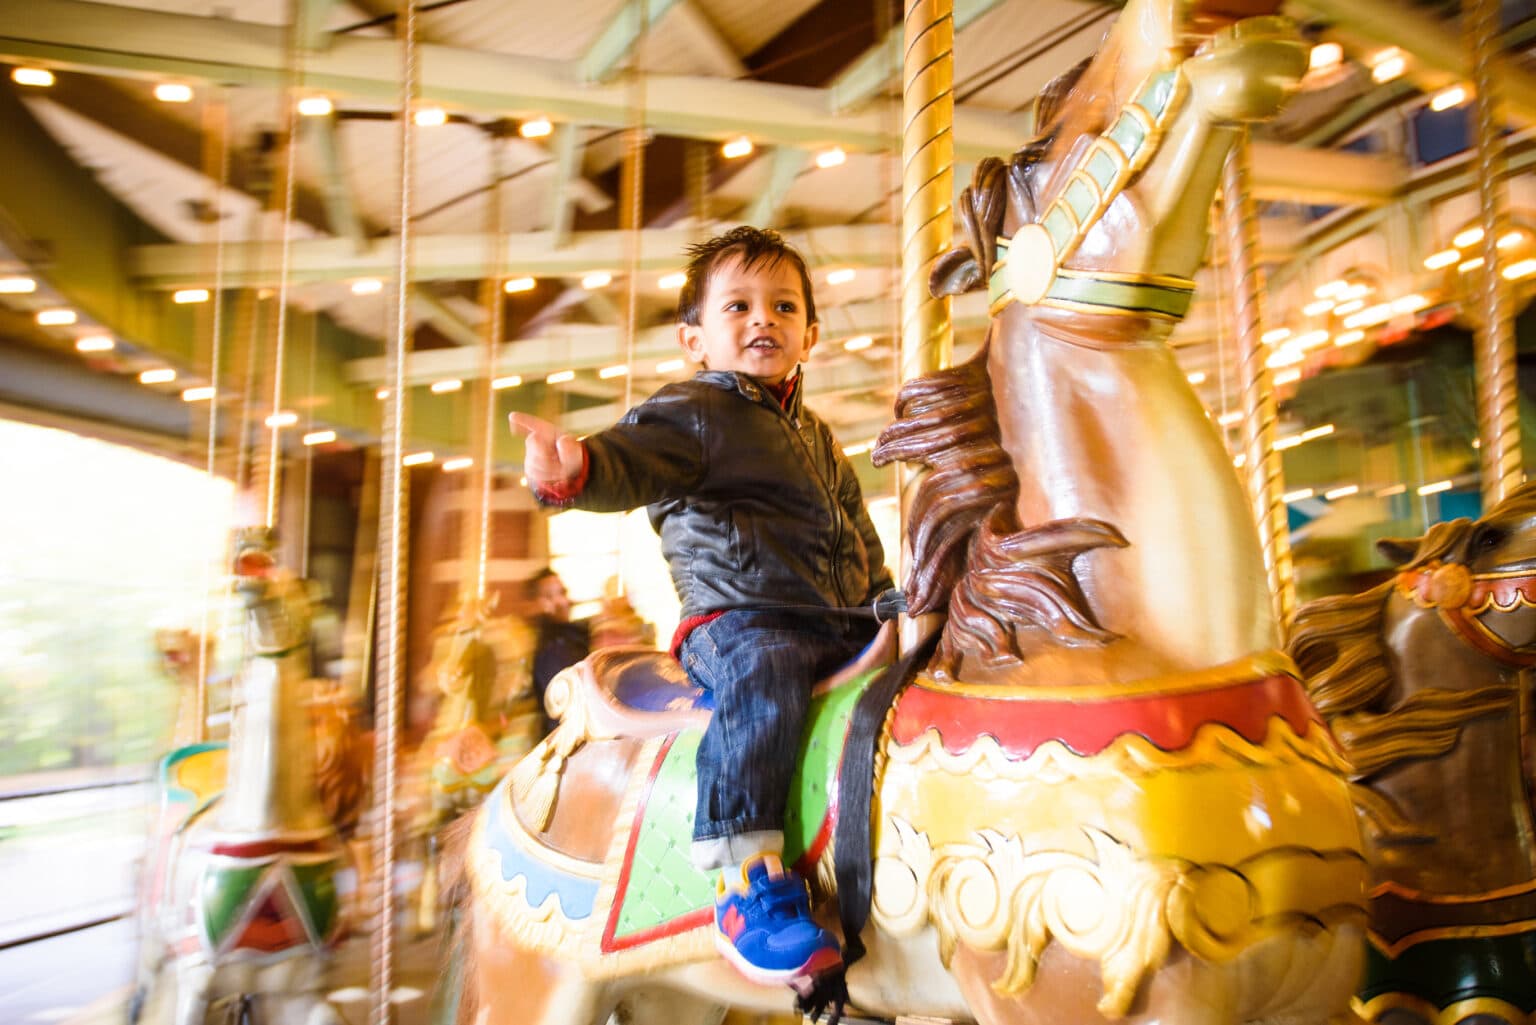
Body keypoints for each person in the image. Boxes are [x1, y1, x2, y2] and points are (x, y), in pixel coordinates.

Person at [510, 226, 893, 989]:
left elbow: (857, 535)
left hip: (834, 620)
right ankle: (744, 879)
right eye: (739, 306)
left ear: (811, 334)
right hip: (739, 620)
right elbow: (630, 458)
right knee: (767, 675)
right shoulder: (694, 411)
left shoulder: (819, 438)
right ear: (695, 339)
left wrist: (887, 603)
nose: (764, 319)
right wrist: (576, 468)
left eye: (784, 306)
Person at [526, 568, 591, 735]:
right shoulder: (552, 651)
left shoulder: (568, 639)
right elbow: (566, 711)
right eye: (559, 594)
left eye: (564, 592)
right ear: (542, 604)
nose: (566, 601)